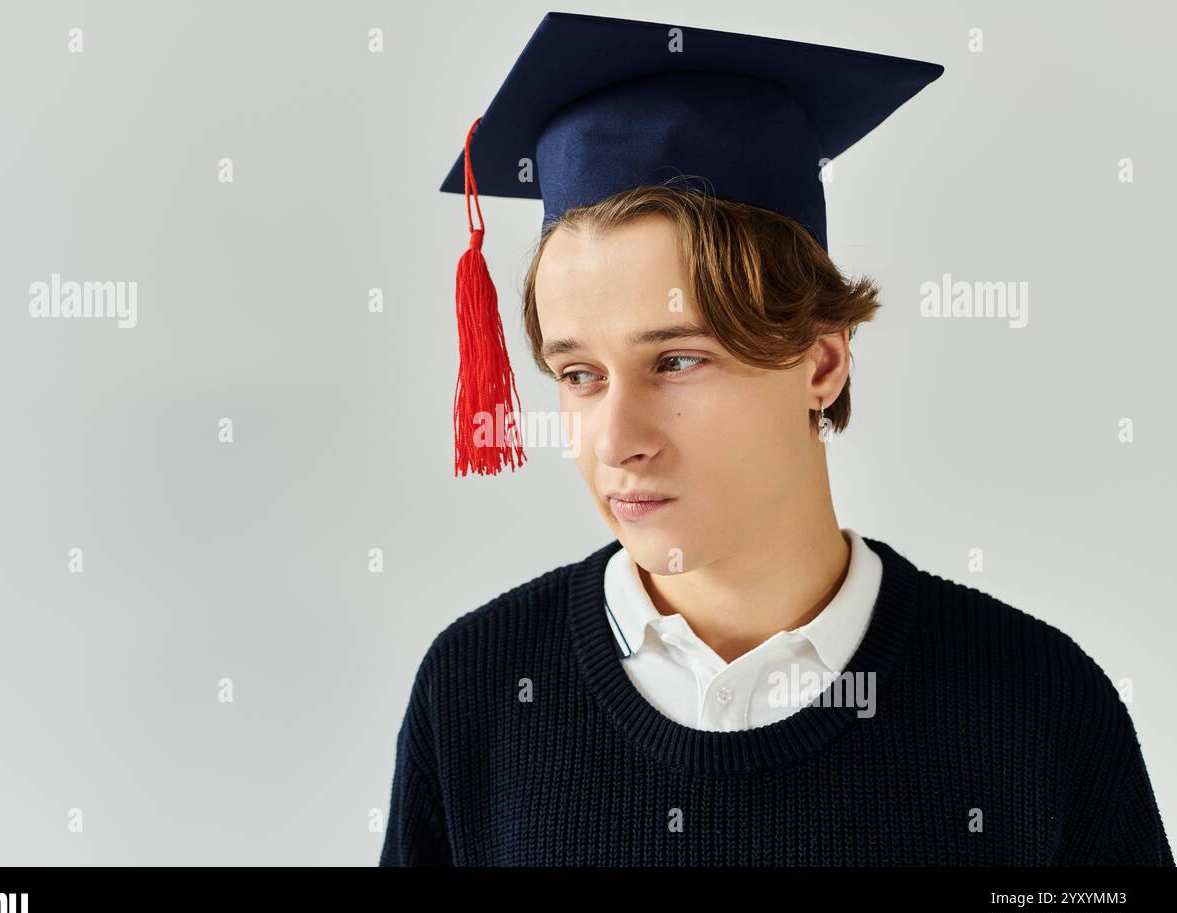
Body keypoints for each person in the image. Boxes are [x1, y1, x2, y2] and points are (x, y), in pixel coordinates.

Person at [380, 11, 1172, 866]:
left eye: (677, 361)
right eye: (580, 375)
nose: (617, 441)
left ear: (821, 362)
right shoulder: (478, 693)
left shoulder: (1038, 708)